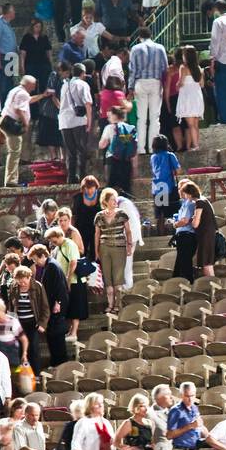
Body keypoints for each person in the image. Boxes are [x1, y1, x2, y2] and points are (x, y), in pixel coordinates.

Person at [93, 186, 132, 314]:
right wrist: (96, 251)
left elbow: (128, 231)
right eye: (112, 200)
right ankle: (110, 304)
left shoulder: (122, 214)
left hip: (119, 247)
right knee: (108, 278)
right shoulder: (99, 216)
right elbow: (97, 234)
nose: (115, 202)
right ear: (106, 201)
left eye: (116, 200)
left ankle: (117, 304)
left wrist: (129, 246)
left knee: (118, 278)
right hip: (104, 248)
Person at [128, 27, 168, 154]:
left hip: (140, 82)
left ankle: (140, 148)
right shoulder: (160, 48)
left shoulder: (135, 49)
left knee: (141, 118)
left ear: (140, 37)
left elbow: (132, 70)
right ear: (151, 35)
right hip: (156, 82)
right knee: (155, 117)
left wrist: (130, 87)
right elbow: (165, 68)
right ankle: (153, 147)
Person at [58, 61, 93, 183]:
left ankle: (71, 178)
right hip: (78, 121)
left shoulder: (65, 85)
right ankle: (83, 177)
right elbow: (88, 104)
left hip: (64, 122)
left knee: (70, 152)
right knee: (81, 150)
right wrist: (89, 121)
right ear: (83, 73)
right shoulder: (82, 84)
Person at [0, 73, 35, 187]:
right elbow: (19, 109)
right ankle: (11, 181)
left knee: (13, 151)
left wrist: (43, 95)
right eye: (33, 85)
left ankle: (11, 179)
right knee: (14, 152)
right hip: (11, 124)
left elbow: (28, 100)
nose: (34, 87)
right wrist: (26, 124)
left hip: (4, 120)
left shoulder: (15, 90)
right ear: (29, 85)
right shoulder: (23, 94)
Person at [175, 45, 204, 150]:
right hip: (197, 97)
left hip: (187, 98)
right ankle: (197, 144)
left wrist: (177, 85)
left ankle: (195, 146)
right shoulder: (199, 69)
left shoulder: (183, 68)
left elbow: (181, 83)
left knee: (191, 124)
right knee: (195, 124)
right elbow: (202, 84)